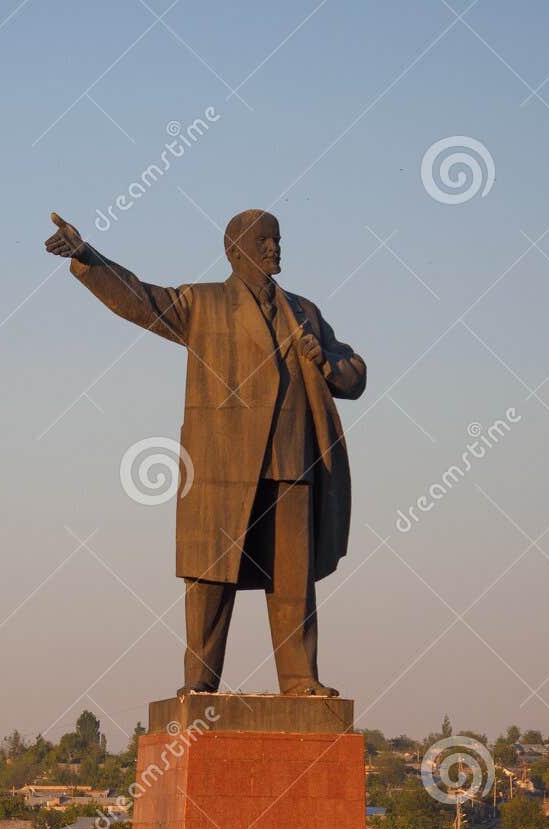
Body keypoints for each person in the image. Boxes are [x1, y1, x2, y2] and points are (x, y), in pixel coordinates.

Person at [45, 209, 366, 696]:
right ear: (237, 250)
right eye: (264, 241)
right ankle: (200, 683)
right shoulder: (205, 303)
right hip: (222, 465)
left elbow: (355, 374)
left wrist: (326, 361)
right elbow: (141, 299)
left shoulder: (304, 311)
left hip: (293, 460)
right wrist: (88, 257)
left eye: (278, 240)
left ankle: (301, 680)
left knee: (293, 580)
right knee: (211, 578)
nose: (275, 248)